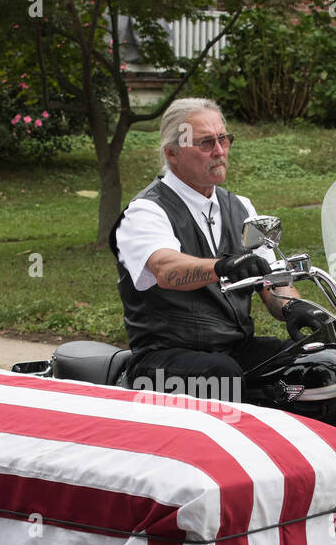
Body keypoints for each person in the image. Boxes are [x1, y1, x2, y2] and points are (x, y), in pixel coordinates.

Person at [111, 97, 310, 397]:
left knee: (313, 363)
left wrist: (295, 307)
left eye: (223, 139)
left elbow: (273, 279)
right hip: (163, 358)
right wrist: (223, 266)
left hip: (232, 349)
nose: (219, 151)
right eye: (205, 143)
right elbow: (166, 269)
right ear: (172, 153)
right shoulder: (146, 211)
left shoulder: (241, 208)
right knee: (221, 375)